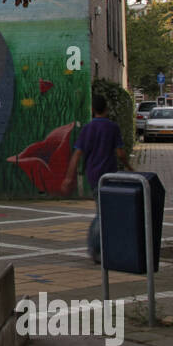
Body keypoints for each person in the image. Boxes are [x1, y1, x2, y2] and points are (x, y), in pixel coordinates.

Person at [63, 93, 131, 263]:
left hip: (93, 176)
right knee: (103, 213)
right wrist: (129, 167)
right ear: (106, 109)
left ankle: (102, 247)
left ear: (92, 110)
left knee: (103, 211)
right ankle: (94, 247)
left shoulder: (88, 129)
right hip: (109, 175)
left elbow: (77, 154)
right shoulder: (113, 128)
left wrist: (69, 178)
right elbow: (120, 153)